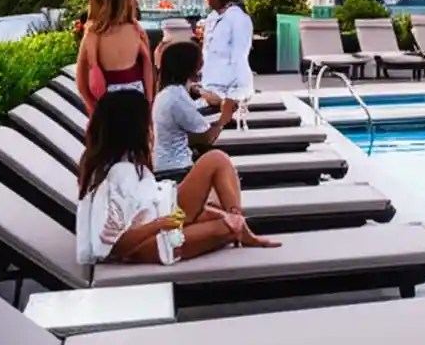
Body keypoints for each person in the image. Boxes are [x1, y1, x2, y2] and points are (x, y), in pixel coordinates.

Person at [76, 90, 277, 267]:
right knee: (217, 169)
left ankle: (240, 227)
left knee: (222, 212)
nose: (151, 130)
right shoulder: (117, 176)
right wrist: (159, 225)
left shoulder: (122, 166)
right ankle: (239, 230)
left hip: (162, 221)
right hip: (149, 244)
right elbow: (113, 246)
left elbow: (143, 207)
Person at [153, 41, 238, 180]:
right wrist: (224, 118)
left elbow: (191, 135)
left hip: (164, 165)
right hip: (176, 169)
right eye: (200, 63)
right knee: (223, 165)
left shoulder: (169, 93)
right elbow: (206, 138)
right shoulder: (177, 97)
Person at [75, 0, 154, 115]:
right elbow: (148, 70)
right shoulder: (137, 31)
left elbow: (81, 83)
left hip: (106, 105)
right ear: (129, 3)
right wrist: (149, 105)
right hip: (136, 104)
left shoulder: (93, 35)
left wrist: (93, 110)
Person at [201, 0, 254, 105]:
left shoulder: (239, 18)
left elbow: (240, 51)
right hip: (212, 80)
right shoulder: (211, 18)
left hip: (232, 81)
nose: (208, 2)